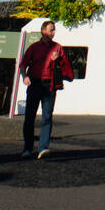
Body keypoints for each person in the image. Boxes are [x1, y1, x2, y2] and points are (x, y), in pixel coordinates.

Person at [19, 20, 74, 159]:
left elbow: (66, 66)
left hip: (50, 85)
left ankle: (43, 147)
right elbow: (23, 64)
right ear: (43, 31)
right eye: (51, 30)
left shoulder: (58, 48)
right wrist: (25, 77)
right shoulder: (34, 47)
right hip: (35, 84)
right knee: (29, 117)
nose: (54, 32)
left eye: (54, 30)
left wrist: (58, 60)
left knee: (47, 117)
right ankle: (27, 148)